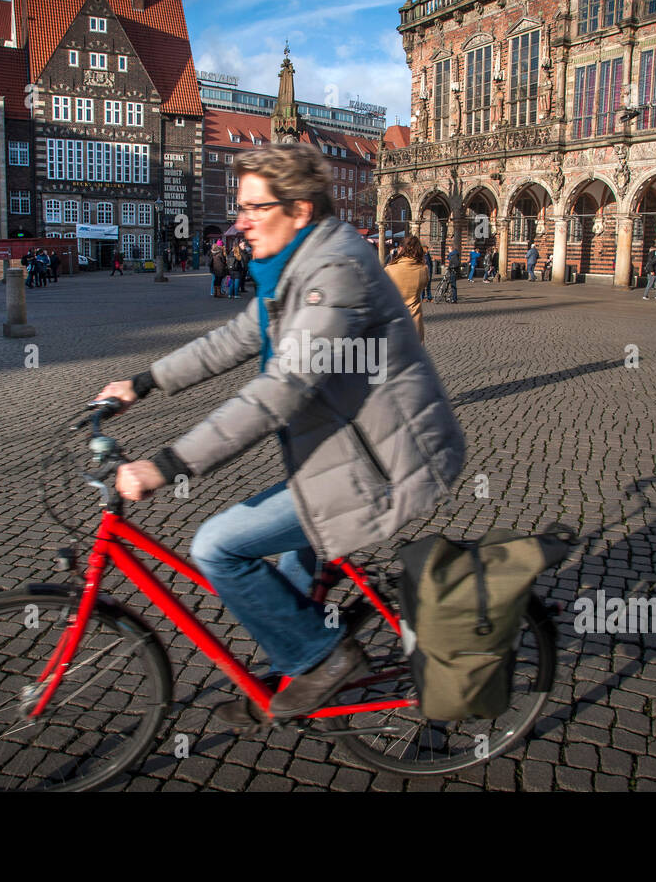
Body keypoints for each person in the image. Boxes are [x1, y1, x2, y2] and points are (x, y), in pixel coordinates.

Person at [94, 142, 465, 724]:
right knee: (290, 578)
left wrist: (166, 464)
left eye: (253, 209)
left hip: (383, 462)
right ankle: (300, 663)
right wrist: (141, 381)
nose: (240, 224)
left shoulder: (336, 271)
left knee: (216, 545)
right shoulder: (291, 265)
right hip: (334, 454)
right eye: (239, 207)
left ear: (299, 210)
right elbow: (235, 339)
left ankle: (323, 658)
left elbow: (283, 388)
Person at [385, 234, 430, 342]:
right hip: (415, 323)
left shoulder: (389, 269)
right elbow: (424, 284)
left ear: (401, 249)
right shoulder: (424, 269)